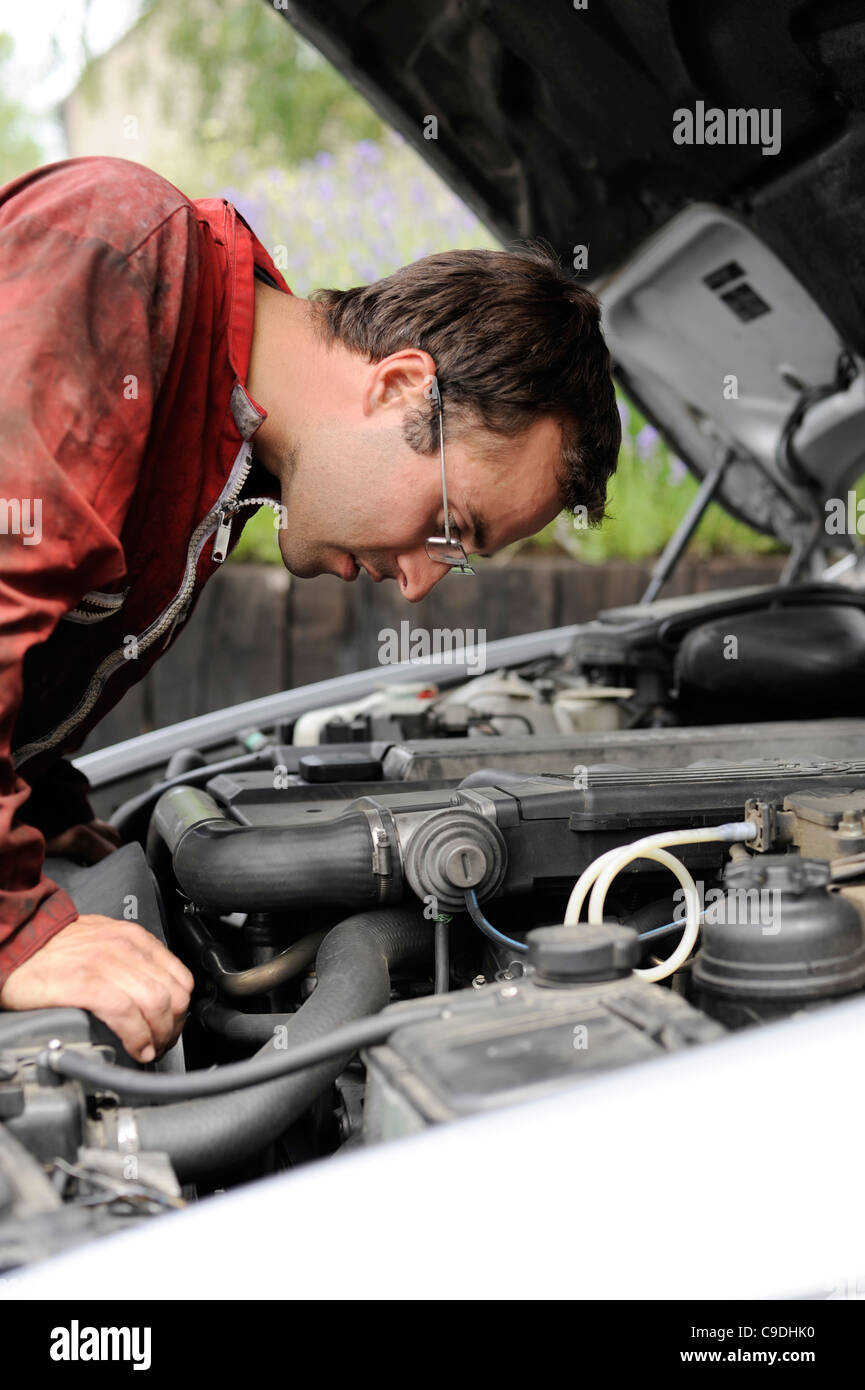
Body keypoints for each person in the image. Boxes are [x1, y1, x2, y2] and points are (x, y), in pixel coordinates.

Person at [0, 155, 620, 1061]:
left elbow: (38, 630)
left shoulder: (231, 442)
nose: (417, 584)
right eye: (447, 525)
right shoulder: (125, 246)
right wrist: (16, 925)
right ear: (400, 385)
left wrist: (47, 821)